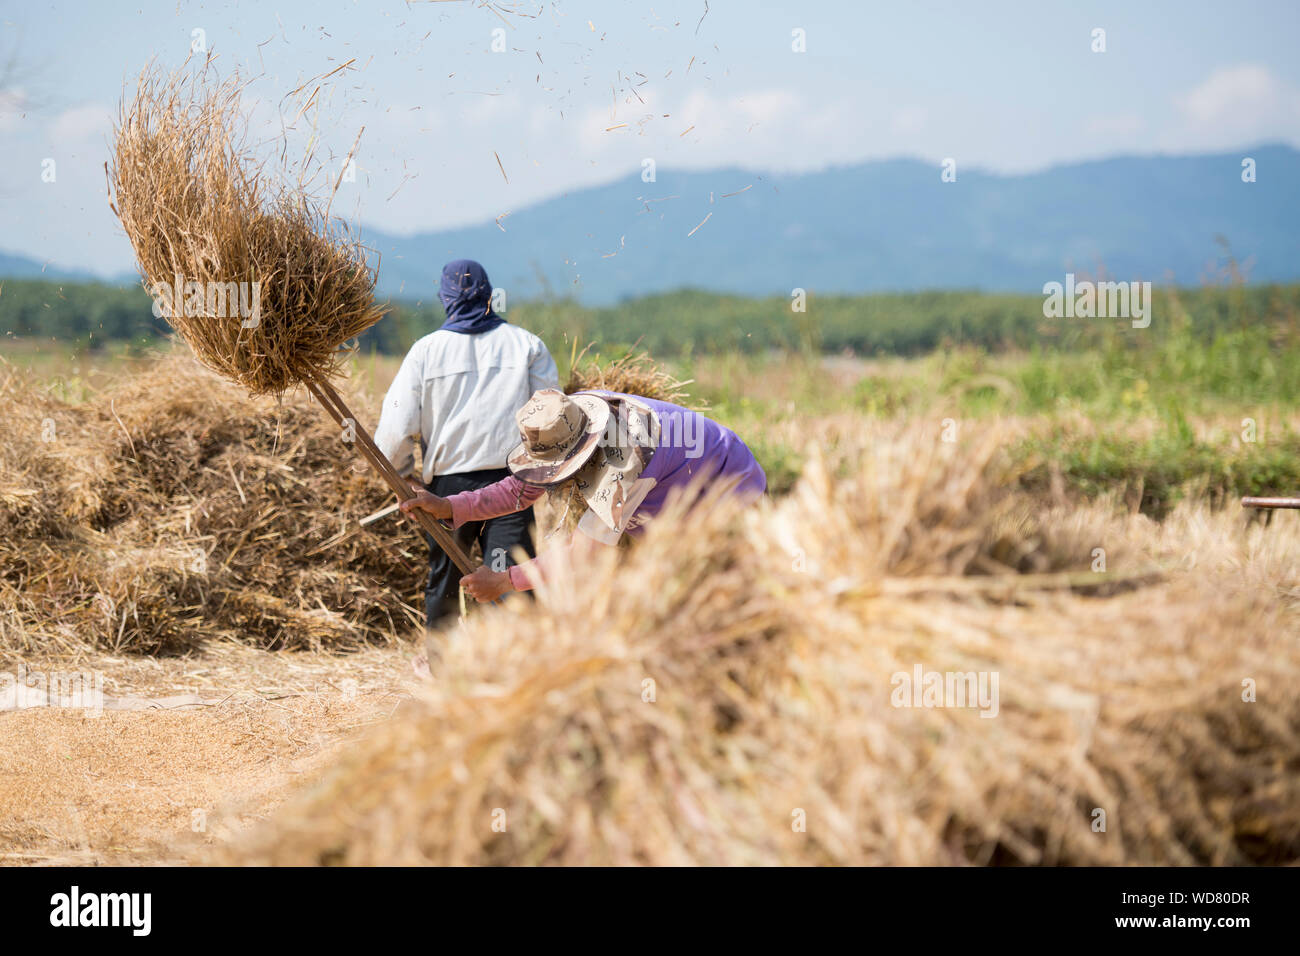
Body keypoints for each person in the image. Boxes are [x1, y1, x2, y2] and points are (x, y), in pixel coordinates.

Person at [399, 387, 766, 601]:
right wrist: (448, 506)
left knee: (708, 593)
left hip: (725, 486)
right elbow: (518, 490)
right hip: (667, 496)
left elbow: (583, 553)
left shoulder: (626, 465)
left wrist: (505, 580)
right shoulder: (563, 418)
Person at [374, 259, 558, 628]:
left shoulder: (426, 351)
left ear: (445, 298)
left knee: (443, 584)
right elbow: (553, 416)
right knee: (511, 581)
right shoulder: (526, 345)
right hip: (514, 485)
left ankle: (444, 672)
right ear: (489, 295)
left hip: (447, 490)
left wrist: (404, 479)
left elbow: (394, 429)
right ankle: (521, 672)